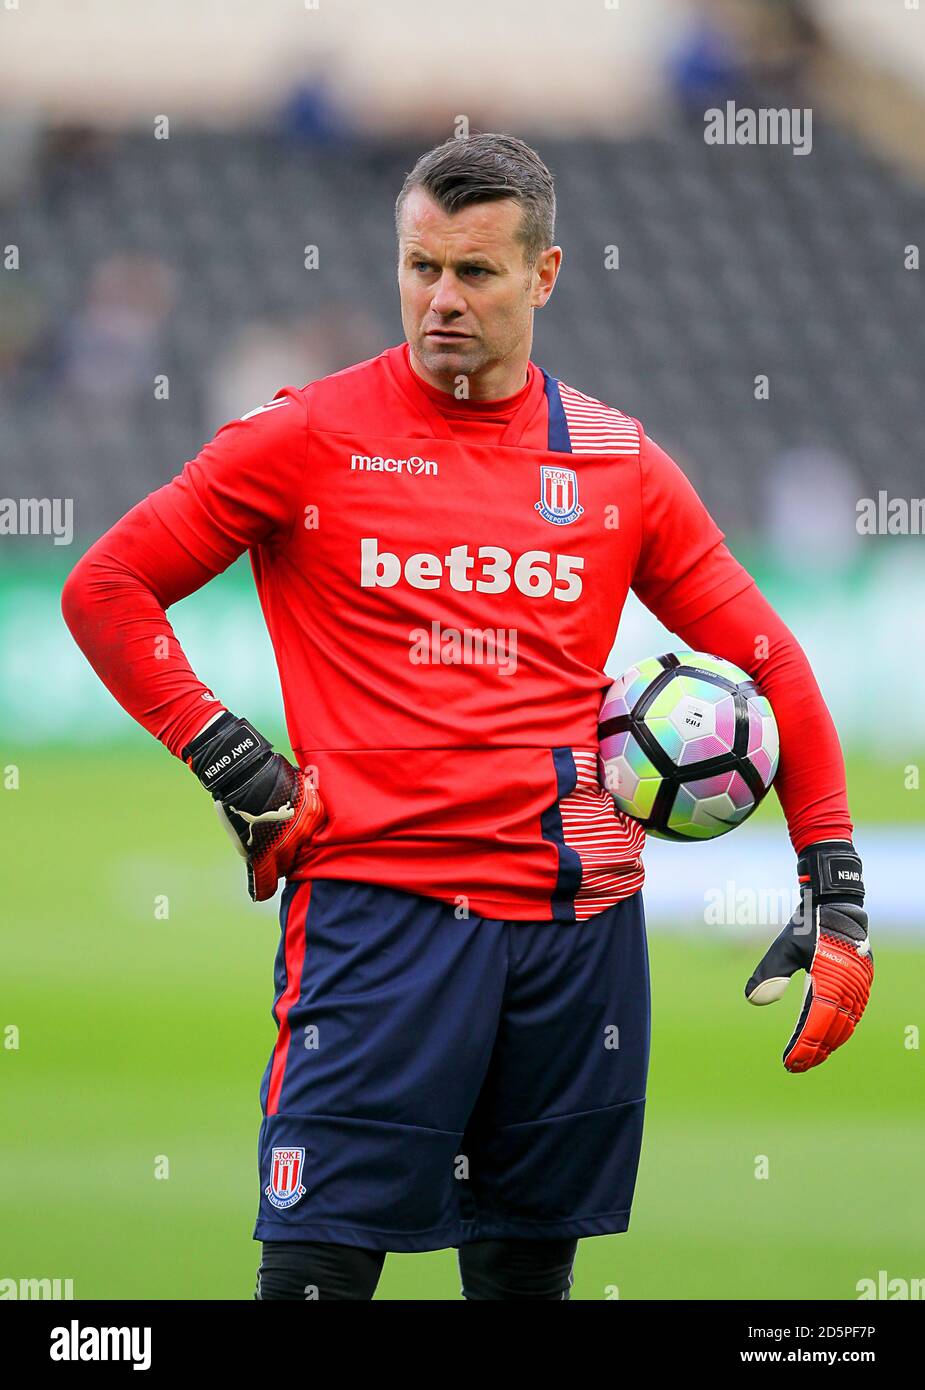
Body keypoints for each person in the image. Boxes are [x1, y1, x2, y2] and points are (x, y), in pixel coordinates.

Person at [61, 132, 872, 1301]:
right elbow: (106, 588)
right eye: (420, 267)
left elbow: (770, 663)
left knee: (523, 1280)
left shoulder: (617, 463)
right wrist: (230, 756)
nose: (441, 299)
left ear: (543, 276)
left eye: (476, 272)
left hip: (573, 937)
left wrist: (831, 884)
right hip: (377, 923)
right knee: (314, 1271)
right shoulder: (306, 436)